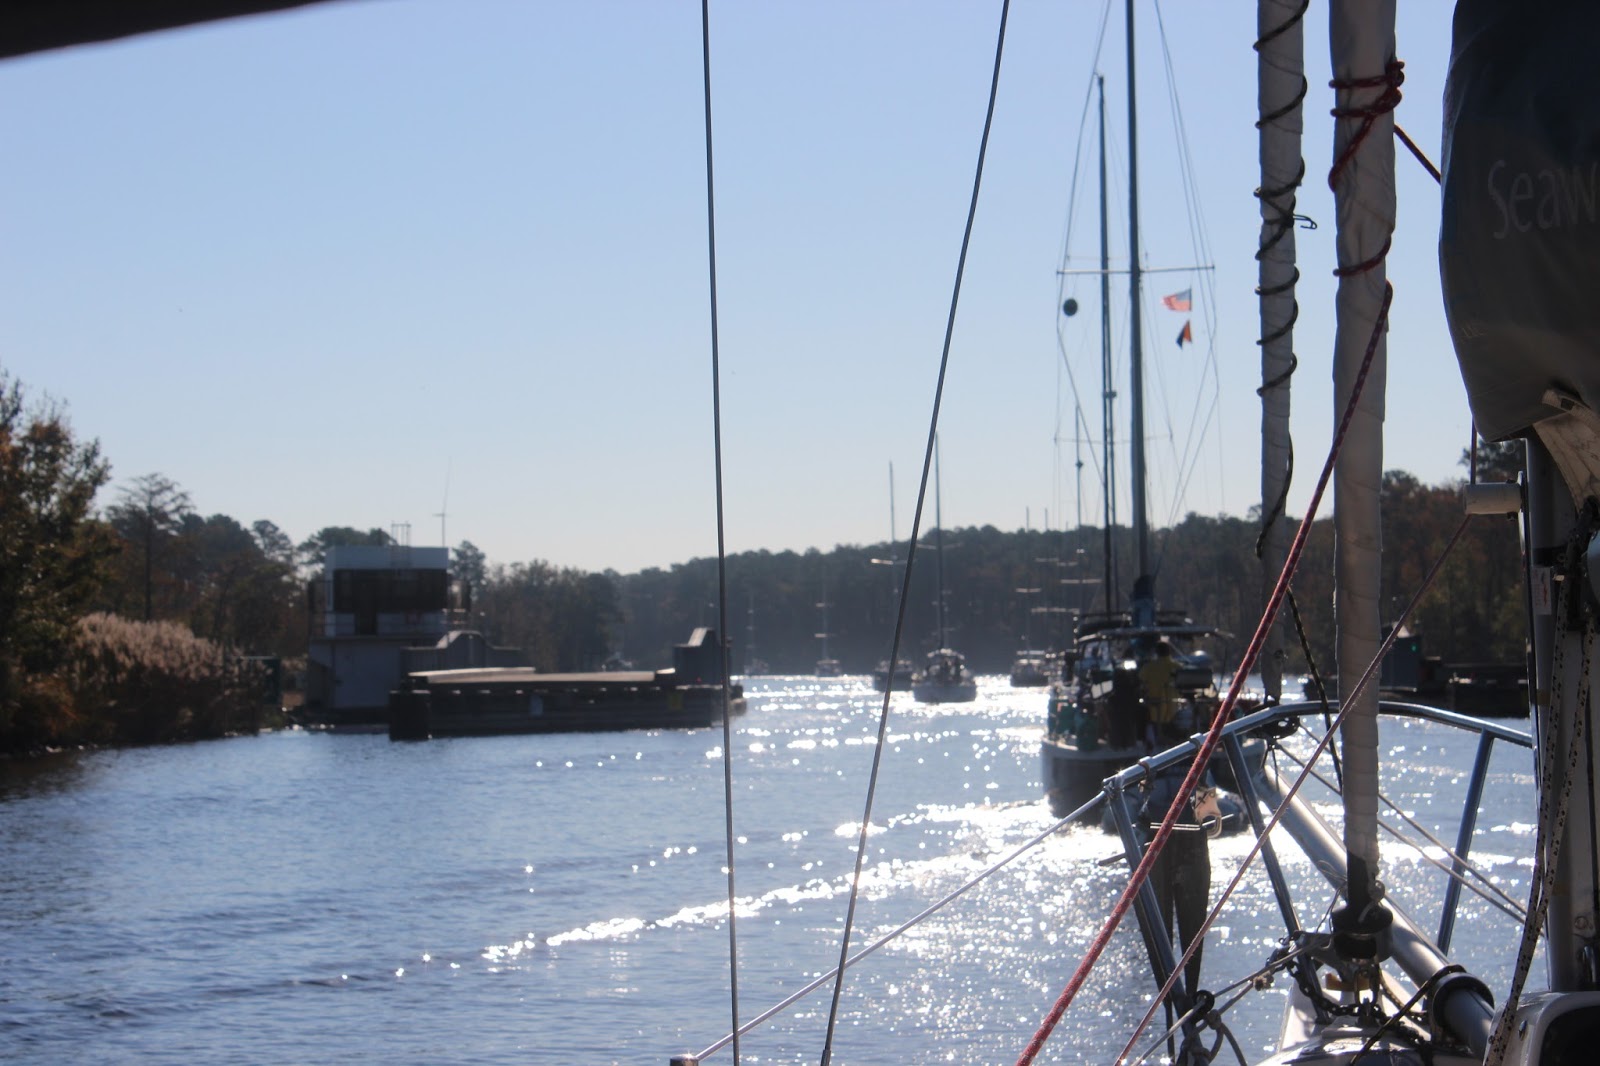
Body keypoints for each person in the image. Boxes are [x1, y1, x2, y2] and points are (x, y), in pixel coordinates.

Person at [1138, 761, 1212, 997]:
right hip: (1157, 840)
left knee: (1192, 933)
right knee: (1161, 933)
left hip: (1189, 839)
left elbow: (1209, 814)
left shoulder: (1198, 766)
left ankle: (1188, 993)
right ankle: (1171, 995)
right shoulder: (1152, 766)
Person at [1139, 641, 1181, 741]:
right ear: (1169, 651)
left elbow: (1140, 681)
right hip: (1173, 707)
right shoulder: (1177, 667)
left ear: (1156, 652)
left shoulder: (1149, 667)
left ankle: (1153, 740)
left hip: (1154, 706)